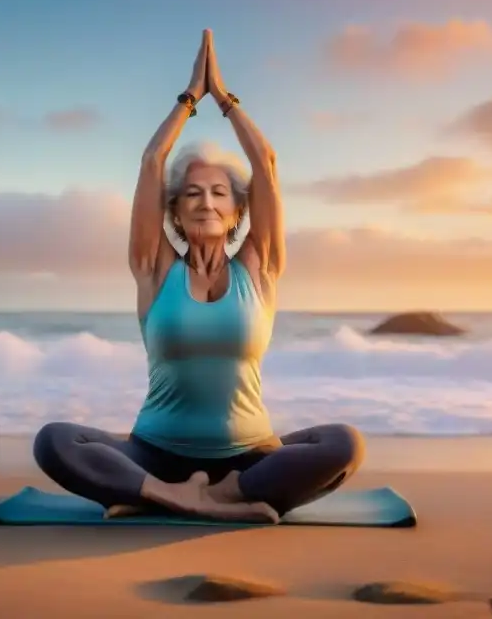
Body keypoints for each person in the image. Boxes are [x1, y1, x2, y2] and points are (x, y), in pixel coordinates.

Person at [33, 30, 365, 523]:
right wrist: (191, 97)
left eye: (217, 193)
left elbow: (266, 165)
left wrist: (225, 99)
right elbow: (152, 163)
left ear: (237, 213)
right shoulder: (155, 268)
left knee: (343, 443)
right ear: (175, 213)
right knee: (55, 440)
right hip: (156, 455)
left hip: (249, 456)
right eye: (191, 194)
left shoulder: (260, 267)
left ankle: (217, 494)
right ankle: (178, 494)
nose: (205, 202)